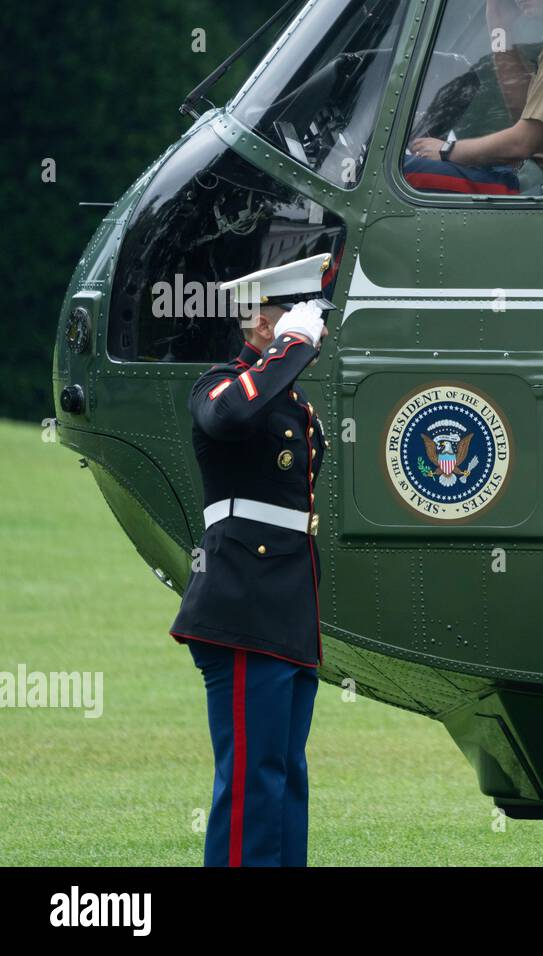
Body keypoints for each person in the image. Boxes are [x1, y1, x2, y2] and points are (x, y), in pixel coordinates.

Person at [169, 254, 334, 865]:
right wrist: (289, 349)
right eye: (295, 316)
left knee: (285, 777)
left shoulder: (294, 408)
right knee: (250, 783)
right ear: (261, 324)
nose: (315, 332)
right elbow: (233, 413)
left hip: (288, 605)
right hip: (241, 602)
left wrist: (286, 358)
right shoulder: (217, 385)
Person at [404, 0, 543, 194]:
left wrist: (446, 150)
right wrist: (499, 27)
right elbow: (523, 112)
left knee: (407, 172)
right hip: (539, 172)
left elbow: (523, 142)